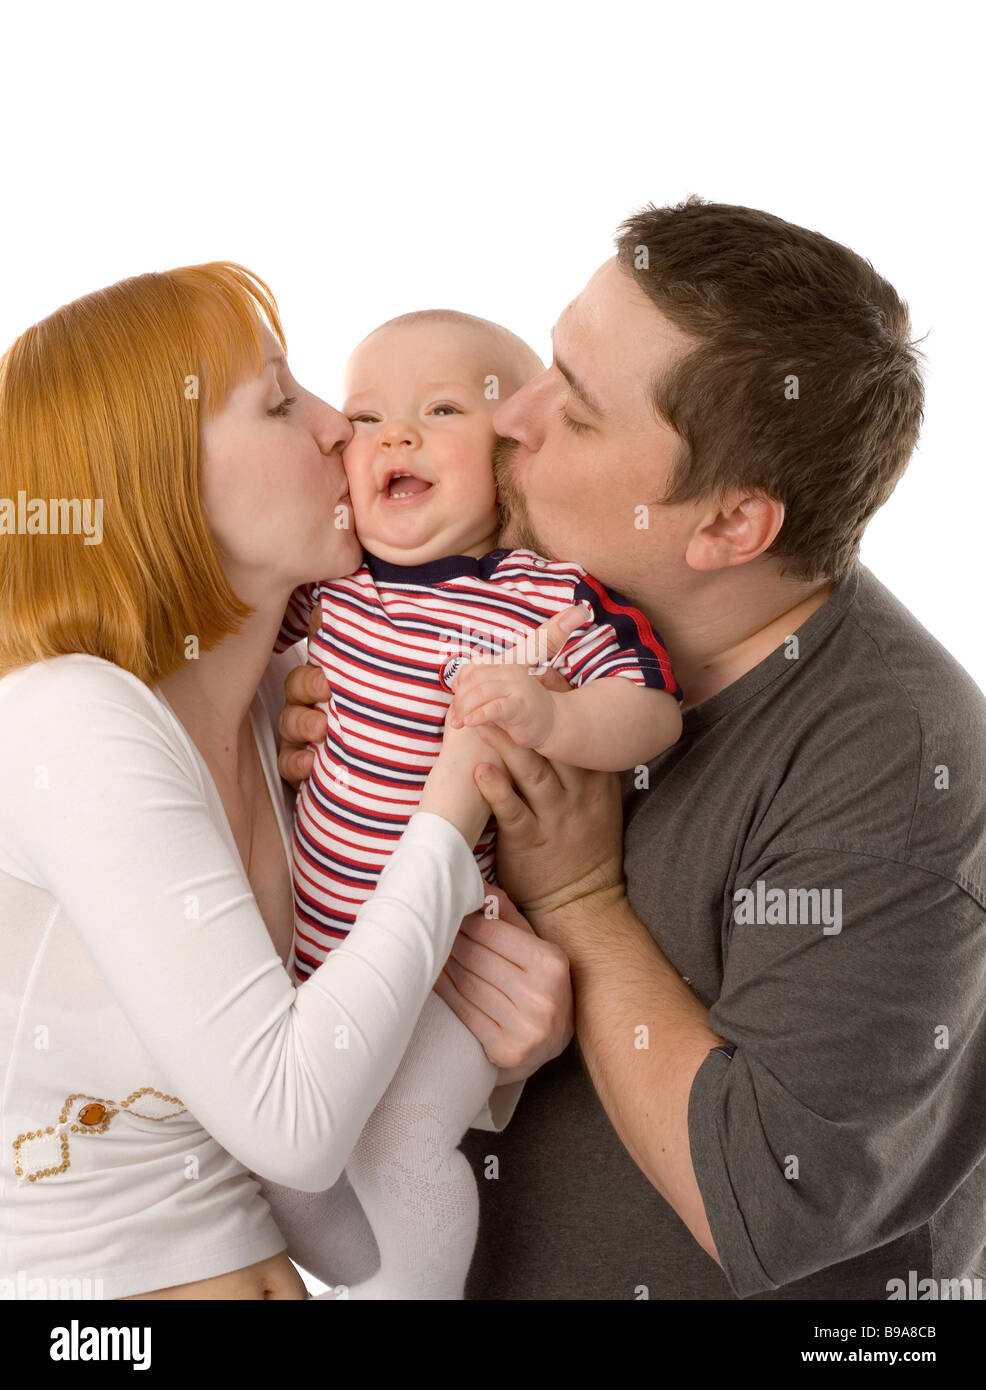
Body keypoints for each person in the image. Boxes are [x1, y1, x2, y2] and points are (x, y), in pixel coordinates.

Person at [278, 198, 986, 1299]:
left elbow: (771, 1200)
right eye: (547, 361)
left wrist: (579, 901)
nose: (513, 415)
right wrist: (289, 729)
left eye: (581, 410)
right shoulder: (533, 586)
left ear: (724, 527)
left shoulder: (892, 758)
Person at [0, 262, 573, 1301]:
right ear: (155, 479)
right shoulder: (71, 718)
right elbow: (293, 1127)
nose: (336, 430)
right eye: (278, 402)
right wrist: (454, 788)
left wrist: (499, 1055)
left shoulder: (290, 713)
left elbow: (332, 1194)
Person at [263, 309, 681, 1299]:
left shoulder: (547, 596)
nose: (392, 436)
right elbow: (228, 644)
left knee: (404, 1145)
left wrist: (554, 719)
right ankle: (359, 1267)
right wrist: (277, 699)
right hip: (311, 966)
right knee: (281, 1154)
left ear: (511, 457)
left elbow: (652, 711)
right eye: (365, 417)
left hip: (453, 972)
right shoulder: (331, 587)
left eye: (438, 410)